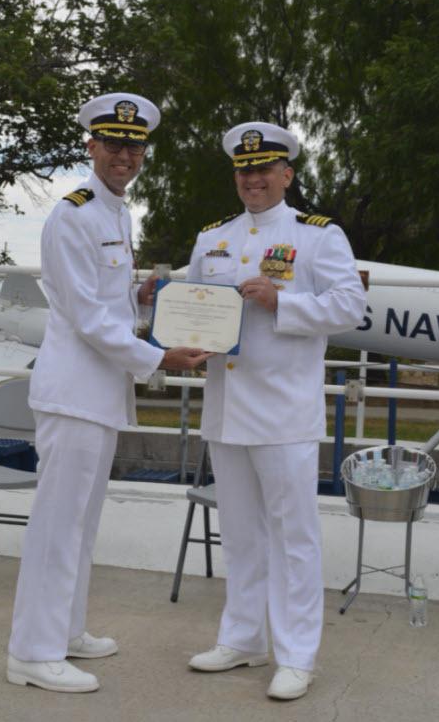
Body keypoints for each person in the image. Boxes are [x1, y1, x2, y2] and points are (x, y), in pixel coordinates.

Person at [7, 92, 210, 693]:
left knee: (81, 522)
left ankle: (65, 630)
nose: (124, 155)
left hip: (98, 393)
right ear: (90, 146)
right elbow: (86, 318)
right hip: (73, 392)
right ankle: (31, 652)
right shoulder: (72, 214)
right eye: (113, 144)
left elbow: (105, 302)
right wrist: (159, 357)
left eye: (134, 146)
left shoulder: (116, 211)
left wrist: (142, 300)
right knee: (57, 523)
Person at [186, 121, 366, 700]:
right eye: (244, 170)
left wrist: (283, 298)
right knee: (239, 532)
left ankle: (296, 655)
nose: (253, 179)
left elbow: (349, 306)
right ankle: (243, 639)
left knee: (293, 537)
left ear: (287, 174)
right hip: (226, 406)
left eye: (264, 169)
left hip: (284, 411)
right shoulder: (212, 237)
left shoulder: (318, 235)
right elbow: (194, 305)